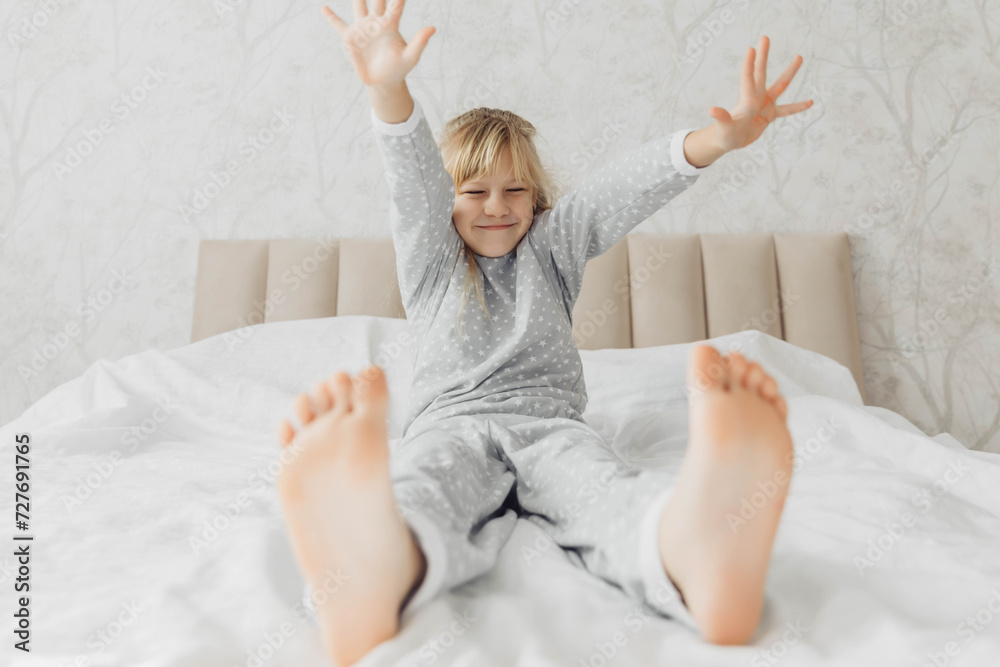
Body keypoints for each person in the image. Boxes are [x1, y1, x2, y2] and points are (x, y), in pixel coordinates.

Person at [275, 1, 814, 664]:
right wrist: (389, 86)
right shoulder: (433, 257)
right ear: (449, 204)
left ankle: (688, 552)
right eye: (474, 191)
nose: (497, 207)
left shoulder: (553, 247)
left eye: (515, 190)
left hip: (551, 425)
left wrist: (716, 142)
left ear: (536, 197)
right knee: (425, 483)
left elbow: (625, 185)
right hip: (452, 422)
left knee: (601, 488)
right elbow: (412, 180)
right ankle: (373, 565)